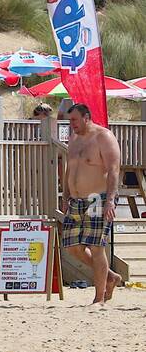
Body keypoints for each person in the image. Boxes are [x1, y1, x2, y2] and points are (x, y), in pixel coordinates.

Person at [60, 102, 122, 305]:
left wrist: (110, 201)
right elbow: (70, 169)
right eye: (70, 121)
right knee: (72, 246)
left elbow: (114, 169)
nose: (72, 124)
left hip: (98, 198)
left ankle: (99, 297)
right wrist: (65, 194)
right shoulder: (74, 139)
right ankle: (111, 277)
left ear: (86, 117)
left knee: (96, 247)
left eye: (75, 120)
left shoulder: (103, 137)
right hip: (76, 200)